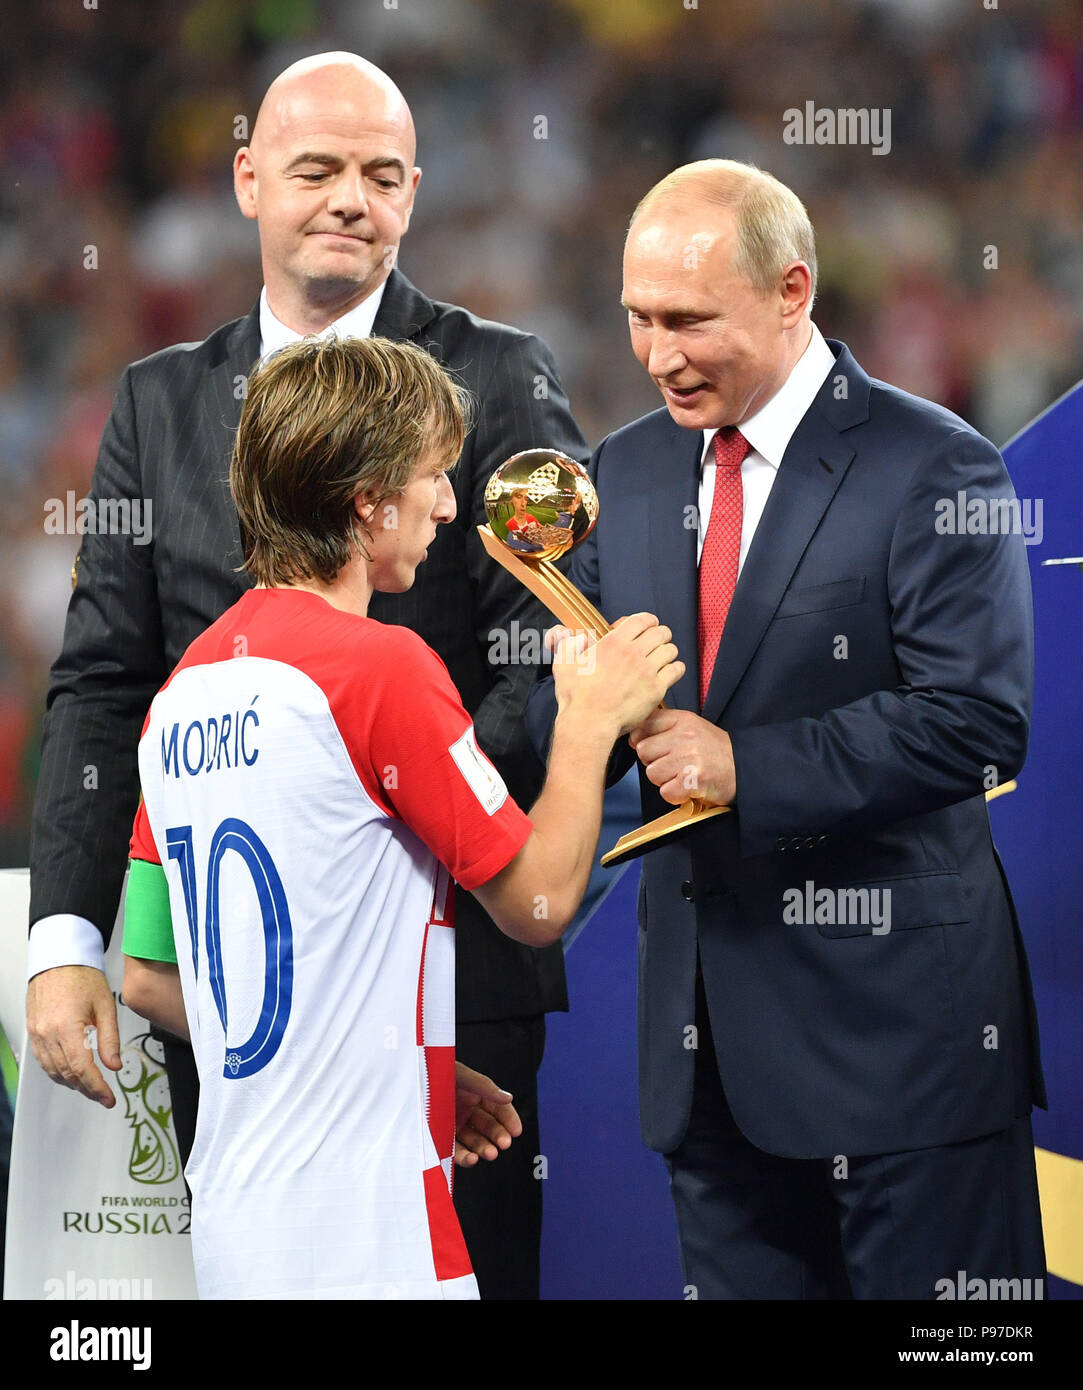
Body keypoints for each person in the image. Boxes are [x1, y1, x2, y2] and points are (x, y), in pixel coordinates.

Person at [26, 51, 586, 1299]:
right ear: (246, 180)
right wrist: (64, 937)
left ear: (415, 193)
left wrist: (401, 832)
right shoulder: (160, 399)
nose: (349, 198)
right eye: (316, 169)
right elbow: (103, 683)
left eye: (381, 176)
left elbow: (552, 630)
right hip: (225, 999)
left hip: (451, 974)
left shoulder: (496, 375)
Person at [526, 159, 1046, 1299]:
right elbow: (591, 710)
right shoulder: (627, 466)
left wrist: (742, 765)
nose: (658, 355)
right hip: (705, 1072)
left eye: (689, 321)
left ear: (792, 290)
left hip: (906, 1058)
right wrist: (575, 702)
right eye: (637, 321)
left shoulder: (935, 466)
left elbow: (977, 724)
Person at [120, 335, 680, 1300]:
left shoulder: (183, 689)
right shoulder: (379, 668)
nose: (451, 506)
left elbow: (145, 975)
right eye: (433, 476)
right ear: (367, 501)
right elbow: (540, 904)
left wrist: (390, 1057)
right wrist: (589, 724)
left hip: (233, 1227)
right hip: (370, 1235)